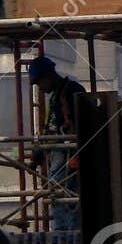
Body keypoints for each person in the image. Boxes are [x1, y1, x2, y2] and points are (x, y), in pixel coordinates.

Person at [26, 55, 86, 233]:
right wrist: (39, 153)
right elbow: (52, 128)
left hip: (68, 155)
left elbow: (83, 125)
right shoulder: (57, 96)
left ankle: (69, 235)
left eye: (39, 82)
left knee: (67, 196)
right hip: (60, 154)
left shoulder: (72, 91)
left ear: (48, 75)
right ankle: (61, 232)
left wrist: (77, 153)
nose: (40, 88)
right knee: (57, 195)